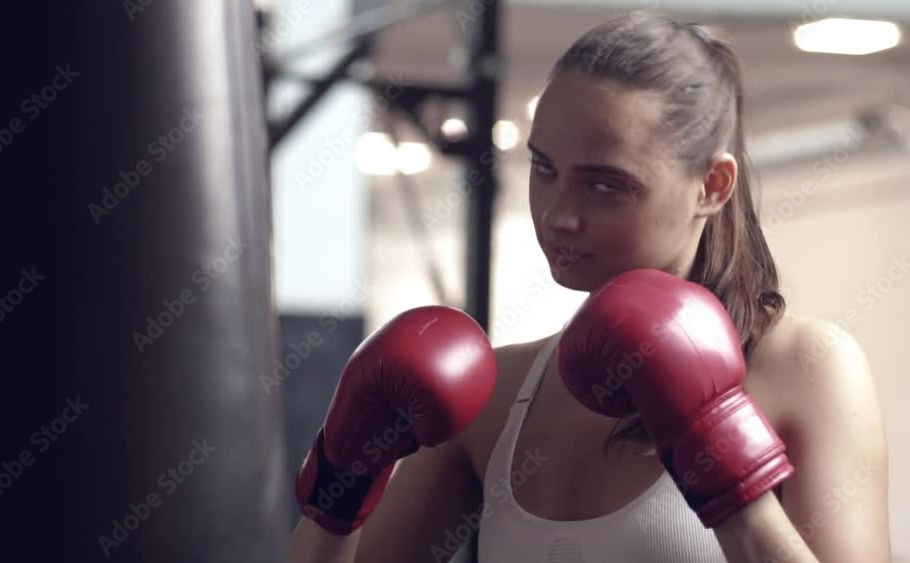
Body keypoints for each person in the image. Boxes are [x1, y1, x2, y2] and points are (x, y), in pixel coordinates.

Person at [290, 13, 891, 563]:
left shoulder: (806, 370)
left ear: (711, 185)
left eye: (604, 185)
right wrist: (342, 478)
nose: (558, 215)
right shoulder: (496, 394)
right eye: (544, 170)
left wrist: (729, 464)